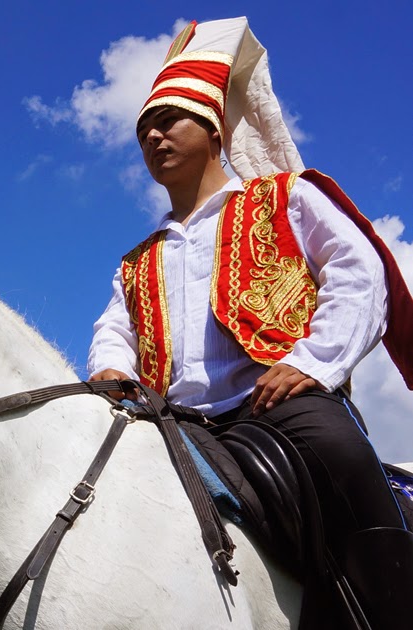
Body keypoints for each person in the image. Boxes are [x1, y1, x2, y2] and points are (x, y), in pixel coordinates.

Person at [87, 17, 413, 630]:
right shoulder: (137, 259)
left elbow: (358, 271)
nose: (153, 137)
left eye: (168, 122)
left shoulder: (286, 197)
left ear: (212, 129)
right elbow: (115, 330)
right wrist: (111, 368)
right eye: (143, 131)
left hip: (277, 404)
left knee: (342, 457)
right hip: (173, 421)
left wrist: (312, 362)